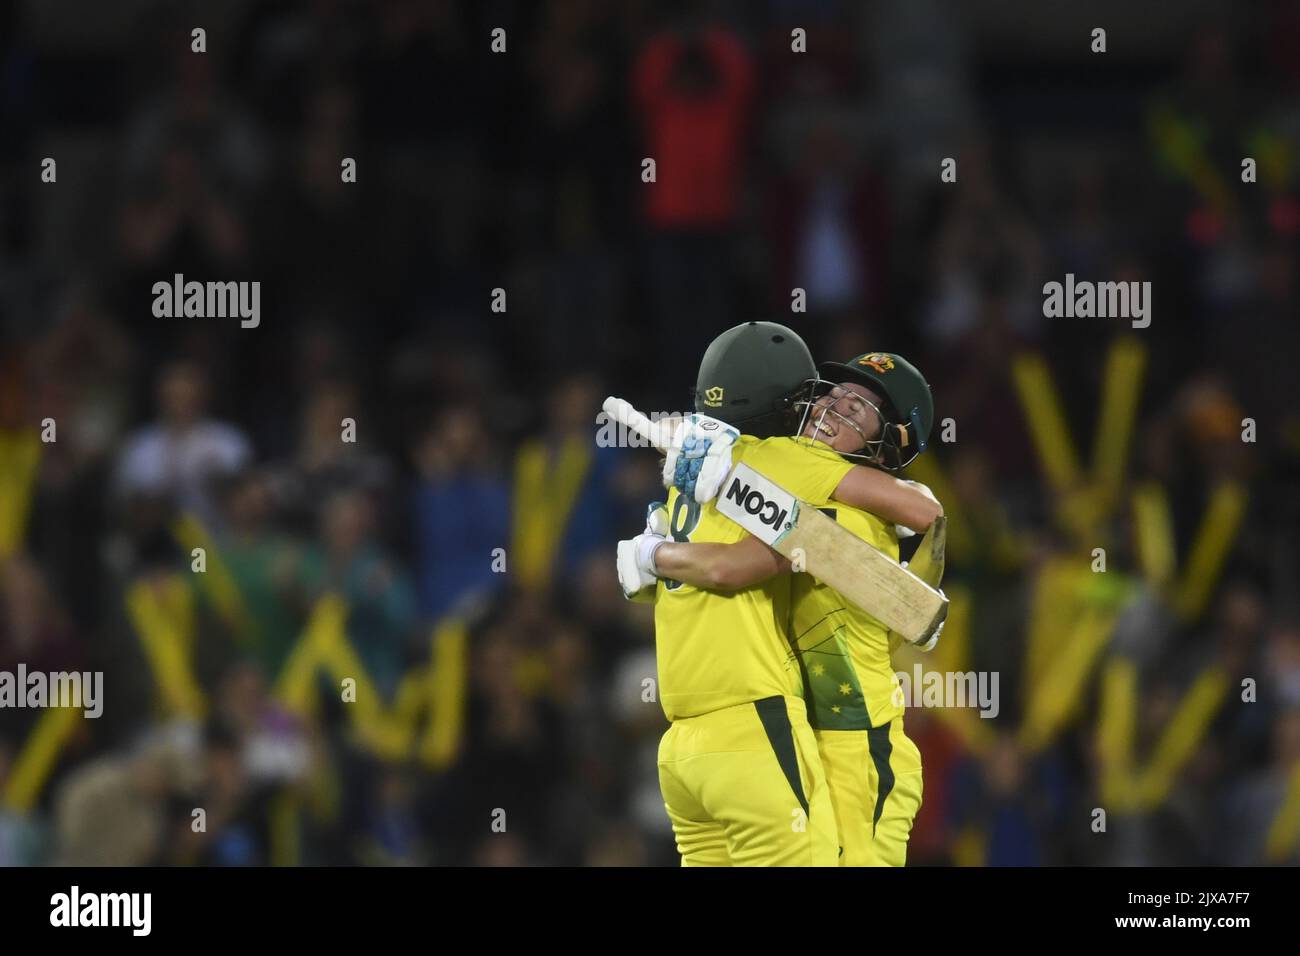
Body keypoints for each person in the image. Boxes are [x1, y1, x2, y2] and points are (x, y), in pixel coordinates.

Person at [622, 350, 942, 866]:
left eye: (858, 410)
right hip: (800, 737)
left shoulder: (834, 510)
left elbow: (734, 563)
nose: (833, 408)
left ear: (887, 447)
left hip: (860, 747)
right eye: (834, 395)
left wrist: (652, 553)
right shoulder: (791, 479)